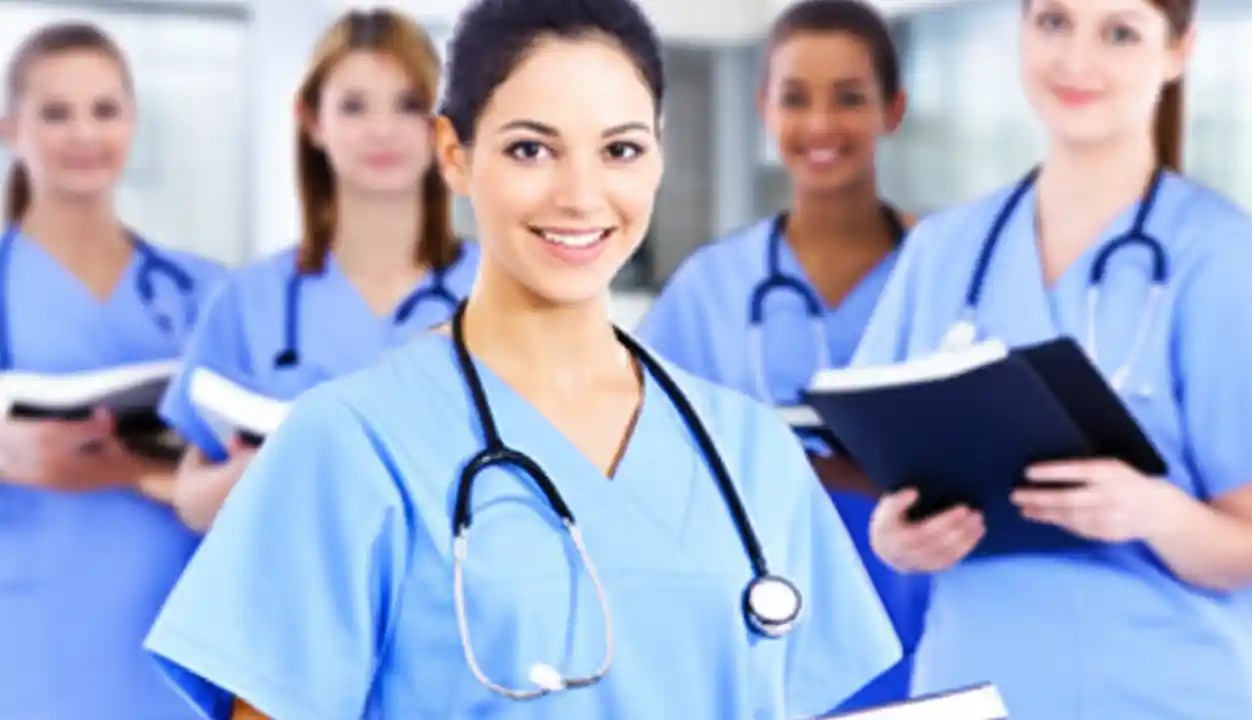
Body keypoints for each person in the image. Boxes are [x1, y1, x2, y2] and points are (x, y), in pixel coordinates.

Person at [142, 0, 902, 717]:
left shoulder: (753, 452)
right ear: (455, 156)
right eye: (531, 148)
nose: (581, 194)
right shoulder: (347, 442)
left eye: (621, 149)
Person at [855, 0, 1252, 717]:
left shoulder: (1228, 261)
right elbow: (888, 487)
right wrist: (896, 540)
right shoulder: (942, 253)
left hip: (1165, 694)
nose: (1076, 60)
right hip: (971, 688)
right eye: (1054, 21)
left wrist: (1153, 513)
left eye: (1119, 32)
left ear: (1180, 50)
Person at [635, 0, 925, 707]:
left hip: (925, 623)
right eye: (795, 98)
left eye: (850, 98)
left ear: (893, 108)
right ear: (764, 107)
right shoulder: (710, 287)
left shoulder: (947, 269)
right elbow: (644, 464)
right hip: (761, 630)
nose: (820, 125)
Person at [158, 7, 479, 532]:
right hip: (293, 602)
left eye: (408, 105)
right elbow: (191, 499)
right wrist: (253, 475)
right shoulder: (250, 300)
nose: (382, 129)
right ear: (312, 121)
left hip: (447, 602)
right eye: (353, 107)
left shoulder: (504, 291)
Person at [0, 22, 226, 719]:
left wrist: (125, 469)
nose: (84, 133)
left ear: (132, 123)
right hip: (27, 644)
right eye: (57, 112)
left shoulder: (206, 292)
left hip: (173, 638)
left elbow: (257, 472)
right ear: (11, 128)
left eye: (104, 110)